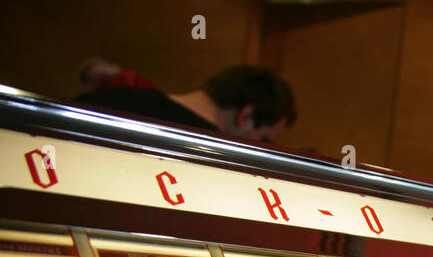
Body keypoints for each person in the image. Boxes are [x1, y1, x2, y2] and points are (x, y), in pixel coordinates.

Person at [73, 64, 296, 143]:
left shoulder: (113, 97)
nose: (260, 145)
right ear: (245, 115)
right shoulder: (208, 149)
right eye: (264, 138)